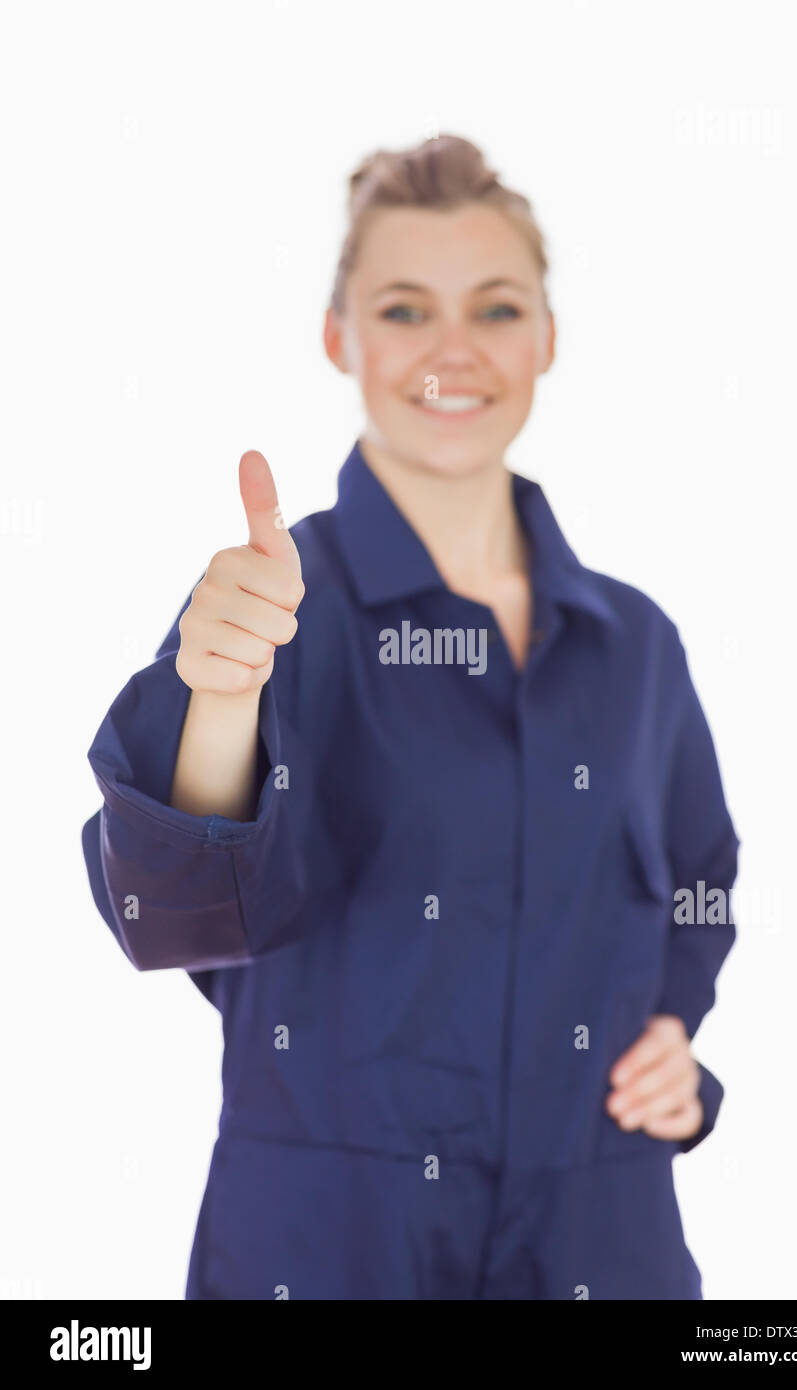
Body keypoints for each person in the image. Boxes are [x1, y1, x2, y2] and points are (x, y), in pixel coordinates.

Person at [81, 134, 739, 1300]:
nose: (451, 350)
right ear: (339, 336)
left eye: (494, 308)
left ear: (545, 338)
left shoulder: (635, 646)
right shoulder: (274, 612)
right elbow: (168, 918)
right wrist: (224, 695)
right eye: (401, 308)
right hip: (333, 1246)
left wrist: (674, 1040)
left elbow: (695, 884)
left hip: (601, 1232)